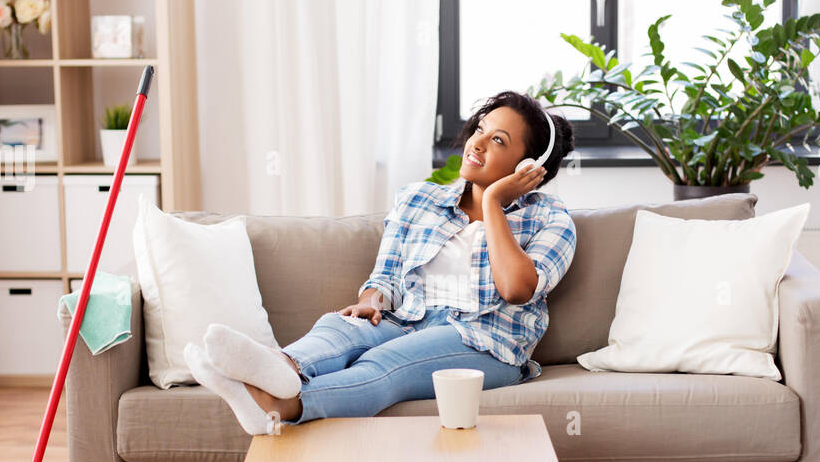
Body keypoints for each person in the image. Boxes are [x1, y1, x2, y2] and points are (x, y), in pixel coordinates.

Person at [186, 89, 577, 434]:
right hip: (408, 319)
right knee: (338, 327)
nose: (477, 144)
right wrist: (371, 300)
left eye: (498, 140)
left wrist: (493, 202)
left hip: (486, 340)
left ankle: (277, 406)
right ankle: (277, 368)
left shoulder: (550, 220)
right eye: (480, 129)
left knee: (383, 362)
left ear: (529, 167)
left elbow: (516, 288)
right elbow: (385, 277)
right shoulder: (418, 200)